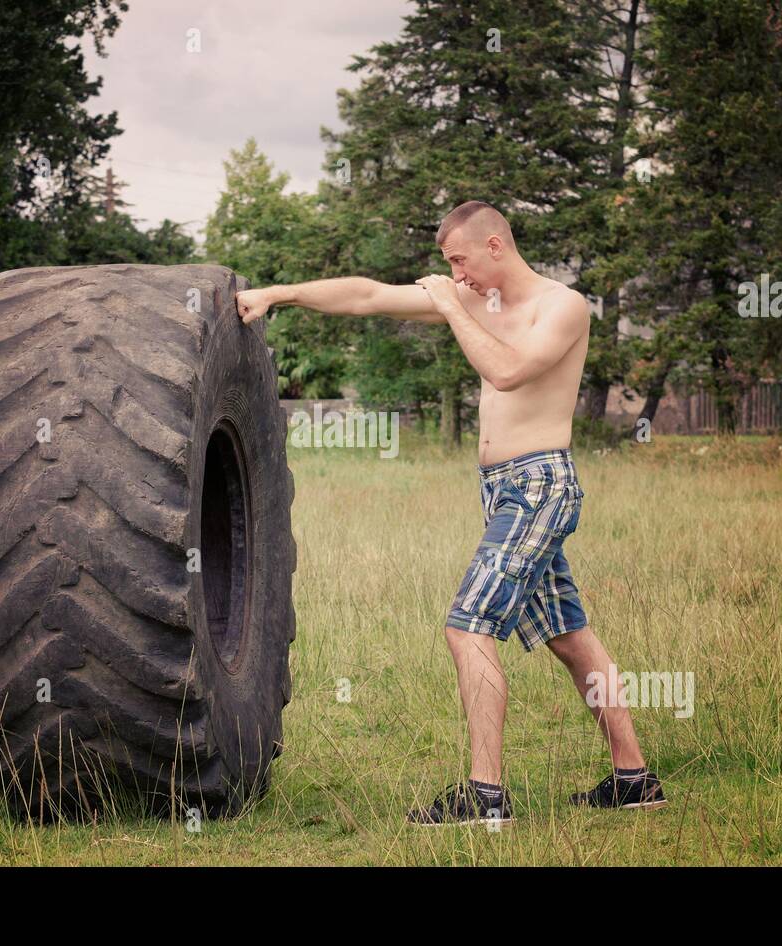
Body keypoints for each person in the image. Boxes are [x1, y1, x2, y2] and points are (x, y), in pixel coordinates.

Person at [236, 200, 667, 825]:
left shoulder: (561, 306)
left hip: (540, 486)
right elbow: (367, 296)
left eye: (460, 261)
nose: (455, 276)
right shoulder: (475, 299)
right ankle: (635, 780)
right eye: (449, 268)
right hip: (503, 489)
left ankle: (486, 796)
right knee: (571, 638)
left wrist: (448, 304)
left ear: (496, 245)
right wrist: (278, 293)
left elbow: (509, 370)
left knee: (468, 627)